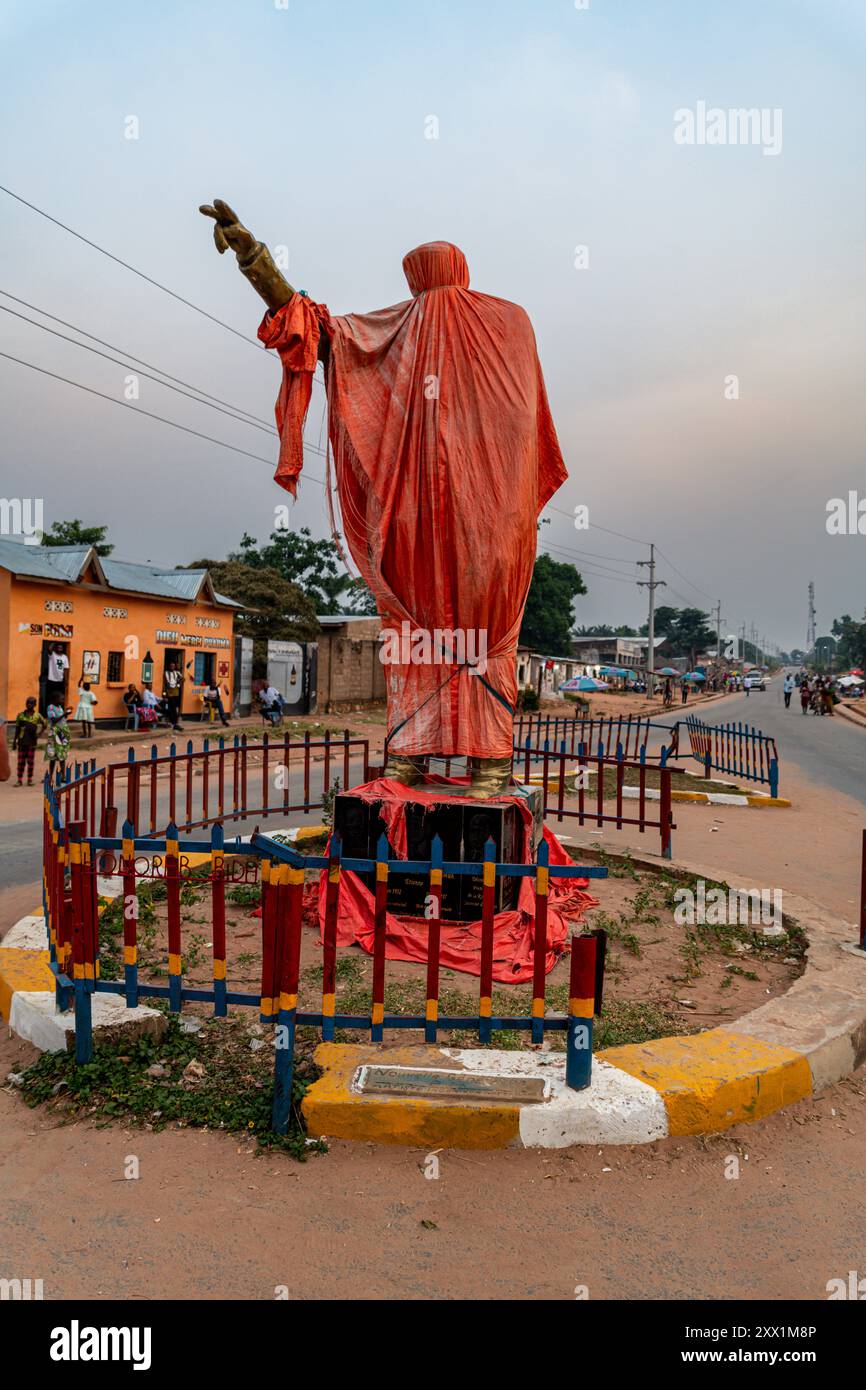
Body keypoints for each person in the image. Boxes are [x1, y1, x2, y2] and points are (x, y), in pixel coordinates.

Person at [12, 697, 46, 786]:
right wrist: (14, 741)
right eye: (27, 703)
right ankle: (19, 780)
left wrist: (39, 734)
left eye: (31, 703)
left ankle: (30, 780)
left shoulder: (37, 716)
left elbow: (44, 724)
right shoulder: (20, 715)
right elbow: (17, 729)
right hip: (22, 742)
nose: (29, 704)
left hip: (32, 742)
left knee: (30, 762)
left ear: (35, 705)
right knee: (21, 762)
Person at [45, 704, 72, 782]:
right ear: (55, 699)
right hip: (54, 733)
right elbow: (53, 720)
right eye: (61, 699)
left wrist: (66, 714)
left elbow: (62, 719)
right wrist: (64, 714)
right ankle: (50, 777)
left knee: (62, 756)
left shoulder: (60, 707)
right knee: (52, 756)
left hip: (62, 733)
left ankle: (63, 777)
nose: (63, 701)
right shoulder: (50, 707)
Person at [163, 662, 184, 732]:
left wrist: (178, 684)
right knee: (171, 706)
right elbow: (165, 683)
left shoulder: (177, 672)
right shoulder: (166, 672)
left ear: (174, 667)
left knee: (174, 706)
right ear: (169, 666)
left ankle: (174, 723)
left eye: (173, 666)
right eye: (171, 666)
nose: (172, 667)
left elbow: (183, 679)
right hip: (169, 690)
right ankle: (174, 723)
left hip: (175, 691)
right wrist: (165, 694)